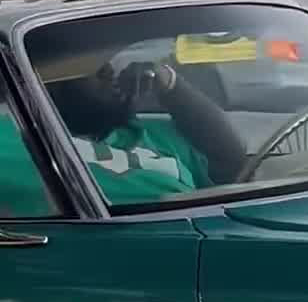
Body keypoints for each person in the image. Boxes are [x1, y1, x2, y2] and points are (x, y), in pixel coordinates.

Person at [48, 56, 248, 204]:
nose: (109, 70)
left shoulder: (152, 133)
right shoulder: (31, 146)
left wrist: (169, 84)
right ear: (47, 83)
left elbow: (231, 159)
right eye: (87, 65)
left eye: (106, 60)